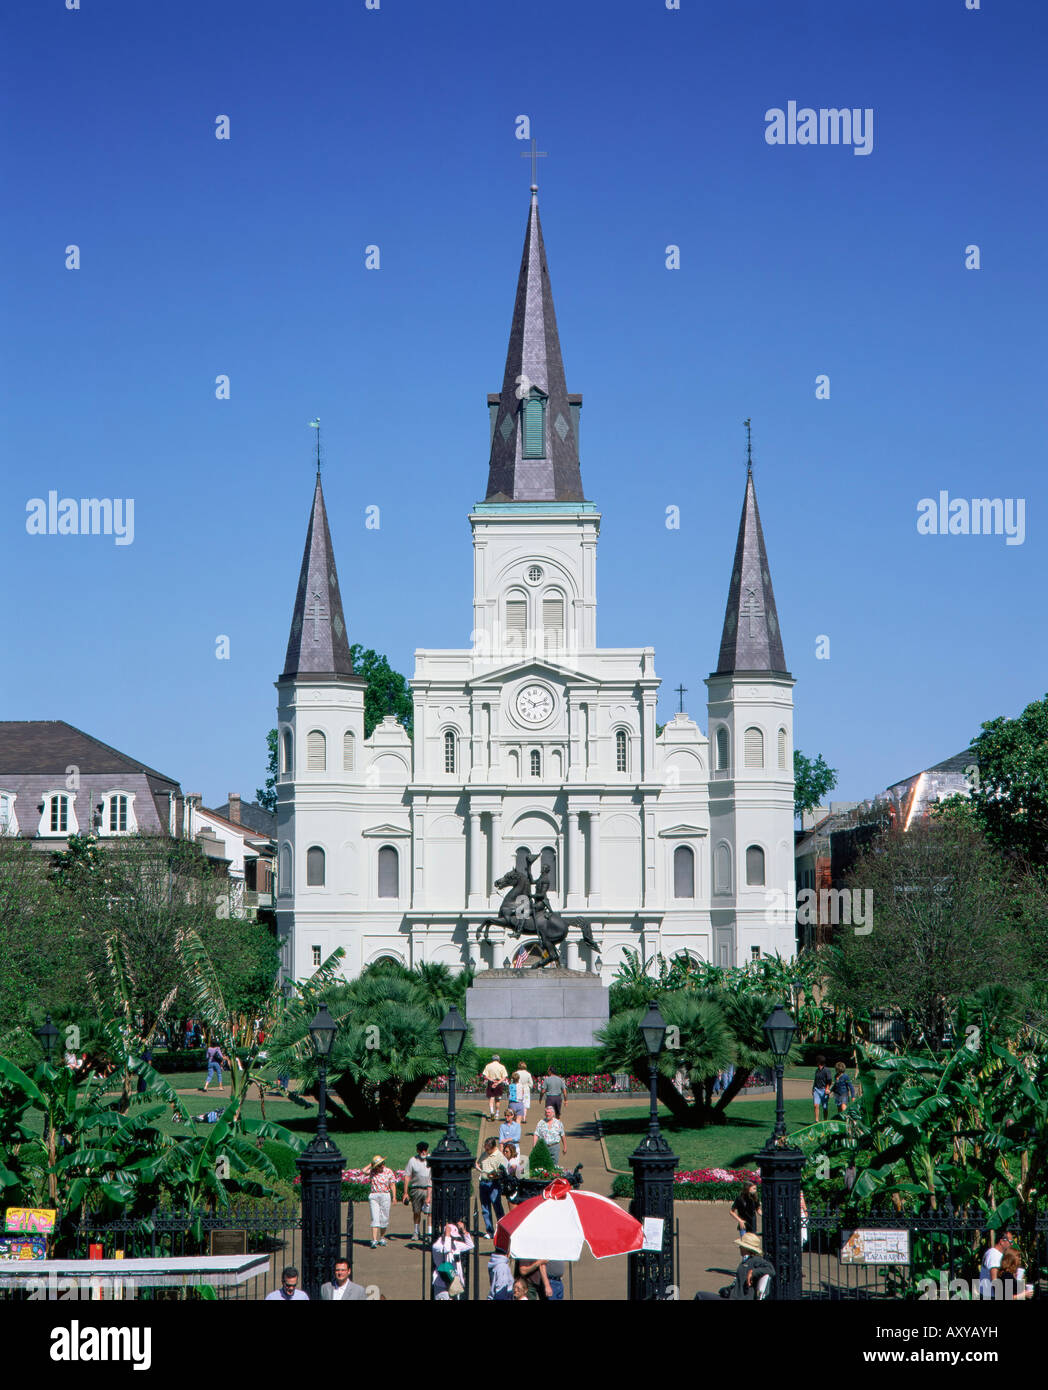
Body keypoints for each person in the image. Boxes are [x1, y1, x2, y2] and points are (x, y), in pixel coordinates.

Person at [694, 1233, 775, 1300]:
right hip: (733, 1296)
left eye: (741, 1246)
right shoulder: (746, 1261)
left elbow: (771, 1269)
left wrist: (753, 1272)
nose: (739, 1247)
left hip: (739, 1298)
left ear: (746, 1248)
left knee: (700, 1296)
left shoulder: (755, 1260)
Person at [432, 1221, 473, 1300]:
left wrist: (464, 1231)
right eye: (452, 1237)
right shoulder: (437, 1245)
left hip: (454, 1283)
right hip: (442, 1284)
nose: (453, 1239)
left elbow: (470, 1245)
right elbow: (446, 1249)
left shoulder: (455, 1244)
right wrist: (447, 1235)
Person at [476, 1136, 508, 1237]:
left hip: (493, 1184)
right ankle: (489, 1230)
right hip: (483, 1183)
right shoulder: (485, 1154)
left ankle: (501, 1230)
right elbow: (479, 1164)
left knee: (497, 1207)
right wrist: (478, 1168)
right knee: (485, 1208)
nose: (486, 1151)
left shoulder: (499, 1156)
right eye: (485, 1149)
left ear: (493, 1147)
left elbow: (502, 1171)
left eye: (488, 1149)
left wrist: (494, 1174)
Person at [403, 1141, 432, 1245]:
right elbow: (407, 1176)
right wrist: (405, 1193)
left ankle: (429, 1233)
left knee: (430, 1212)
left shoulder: (431, 1159)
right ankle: (416, 1231)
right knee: (416, 1211)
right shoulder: (412, 1160)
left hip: (429, 1189)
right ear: (418, 1151)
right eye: (421, 1150)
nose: (423, 1152)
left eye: (425, 1150)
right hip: (416, 1189)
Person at [367, 1155, 399, 1248]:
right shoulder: (372, 1171)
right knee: (375, 1217)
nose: (382, 1166)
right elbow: (363, 1171)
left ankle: (382, 1237)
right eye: (379, 1165)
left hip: (385, 1195)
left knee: (384, 1217)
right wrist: (371, 1164)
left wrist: (394, 1197)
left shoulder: (388, 1171)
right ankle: (374, 1240)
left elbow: (392, 1184)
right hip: (374, 1195)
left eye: (382, 1164)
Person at [979, 1230, 1014, 1298]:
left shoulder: (994, 1253)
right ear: (1002, 1241)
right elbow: (994, 1280)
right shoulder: (994, 1255)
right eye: (1010, 1242)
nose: (1012, 1244)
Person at [533, 1105, 566, 1170]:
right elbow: (536, 1134)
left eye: (549, 1113)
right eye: (546, 1113)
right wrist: (534, 1145)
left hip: (554, 1146)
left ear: (553, 1113)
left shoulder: (558, 1123)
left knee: (554, 1166)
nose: (547, 1114)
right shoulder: (541, 1123)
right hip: (543, 1146)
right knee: (543, 1165)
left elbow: (562, 1135)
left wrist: (565, 1147)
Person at [482, 1054, 509, 1121]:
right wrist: (498, 1082)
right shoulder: (502, 1066)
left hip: (491, 1083)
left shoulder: (488, 1066)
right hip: (499, 1083)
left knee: (491, 1099)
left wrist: (492, 1080)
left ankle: (492, 1112)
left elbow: (485, 1075)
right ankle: (497, 1114)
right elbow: (504, 1077)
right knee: (497, 1100)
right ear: (498, 1060)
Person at [812, 1054, 833, 1122]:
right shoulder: (817, 1070)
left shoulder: (827, 1070)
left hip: (824, 1090)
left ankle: (825, 1120)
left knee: (824, 1107)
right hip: (817, 1090)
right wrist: (813, 1088)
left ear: (819, 1062)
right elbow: (815, 1080)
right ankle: (816, 1120)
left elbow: (829, 1080)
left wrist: (827, 1088)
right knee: (816, 1105)